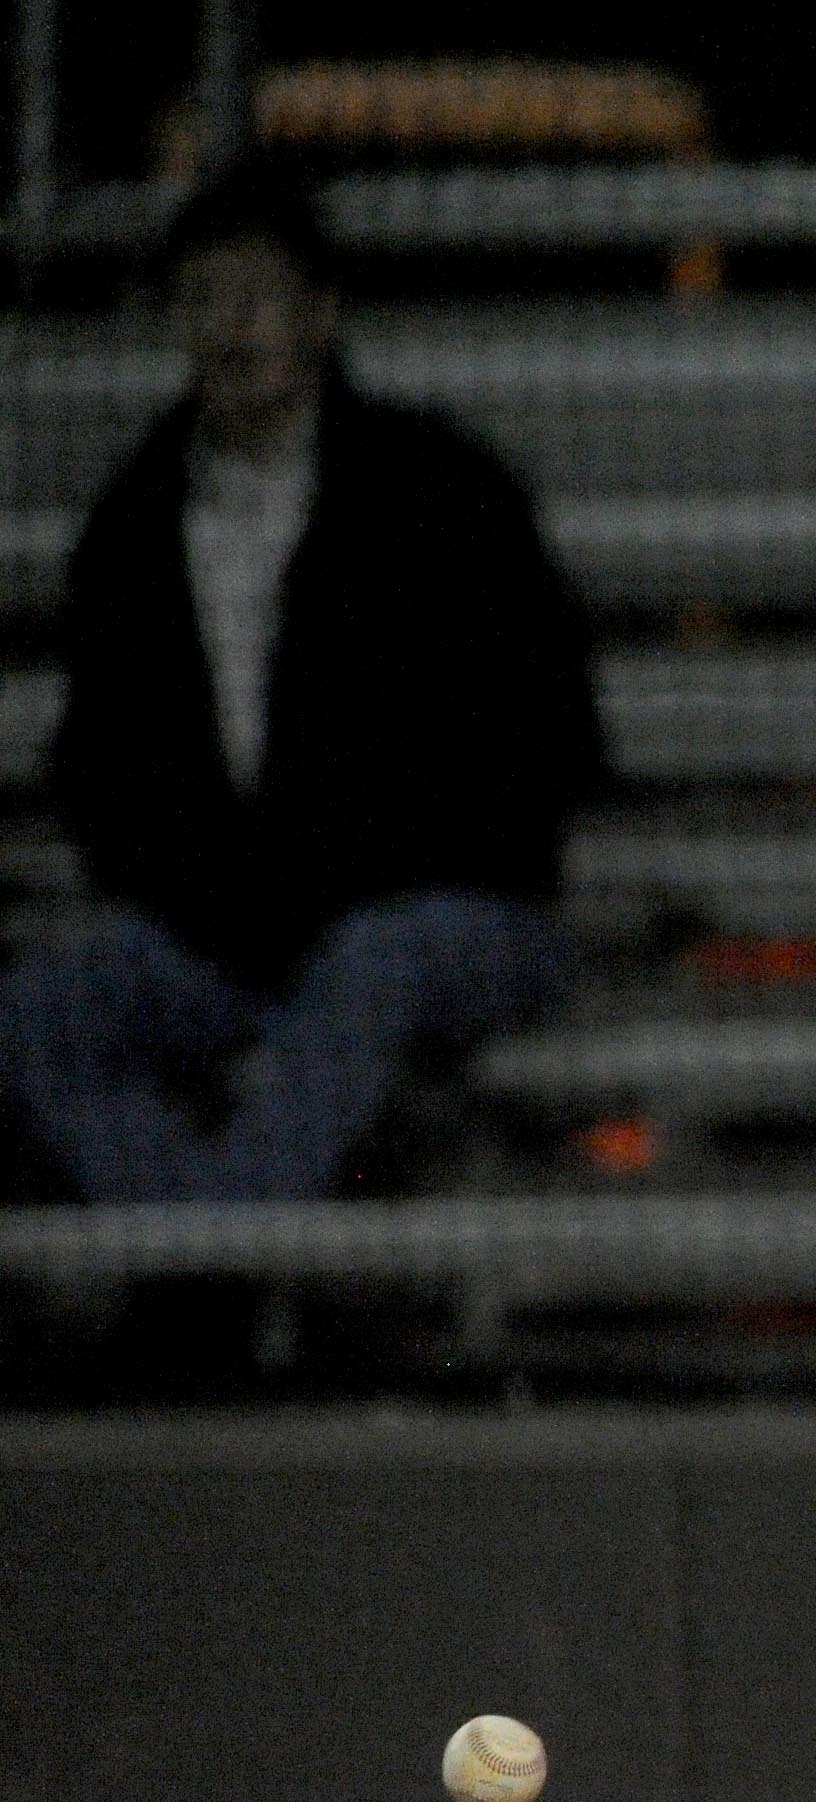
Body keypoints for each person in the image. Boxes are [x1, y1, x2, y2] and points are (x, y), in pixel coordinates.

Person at [0, 160, 597, 1205]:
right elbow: (102, 768)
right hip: (234, 933)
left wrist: (338, 880)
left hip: (451, 916)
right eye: (202, 299)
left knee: (370, 962)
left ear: (321, 313)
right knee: (39, 1016)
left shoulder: (442, 490)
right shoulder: (133, 522)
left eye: (260, 296)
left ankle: (220, 1256)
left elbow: (539, 732)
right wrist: (210, 894)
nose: (233, 328)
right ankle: (215, 1234)